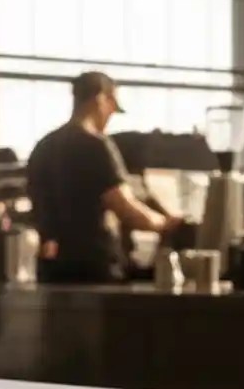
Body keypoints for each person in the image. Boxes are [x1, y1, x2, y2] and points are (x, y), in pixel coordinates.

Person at [27, 72, 176, 283]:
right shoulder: (96, 145)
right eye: (112, 107)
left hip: (51, 270)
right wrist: (164, 223)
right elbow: (125, 208)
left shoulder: (42, 147)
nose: (111, 116)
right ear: (100, 99)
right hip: (95, 269)